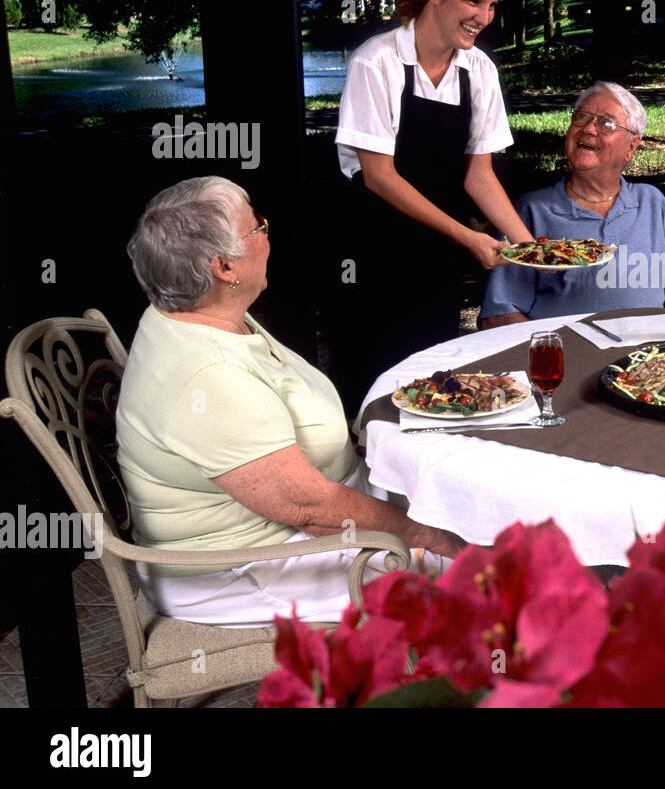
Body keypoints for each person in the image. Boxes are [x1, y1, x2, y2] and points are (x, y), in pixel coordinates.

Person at [116, 177, 465, 627]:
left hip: (311, 517)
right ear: (224, 267)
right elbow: (312, 510)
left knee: (478, 508)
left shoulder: (206, 315)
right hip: (244, 564)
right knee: (473, 572)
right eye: (256, 227)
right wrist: (426, 537)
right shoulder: (207, 375)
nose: (267, 233)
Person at [332, 0, 533, 406]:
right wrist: (469, 238)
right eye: (472, 1)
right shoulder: (376, 61)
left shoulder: (479, 70)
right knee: (376, 389)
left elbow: (477, 175)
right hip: (371, 249)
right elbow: (379, 175)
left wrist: (533, 248)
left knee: (432, 389)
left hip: (436, 255)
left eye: (490, 5)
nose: (483, 17)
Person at [480, 81, 665, 326]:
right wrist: (553, 351)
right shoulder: (531, 211)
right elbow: (498, 315)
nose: (589, 129)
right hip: (567, 357)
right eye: (581, 117)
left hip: (645, 354)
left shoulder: (652, 204)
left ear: (631, 146)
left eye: (606, 123)